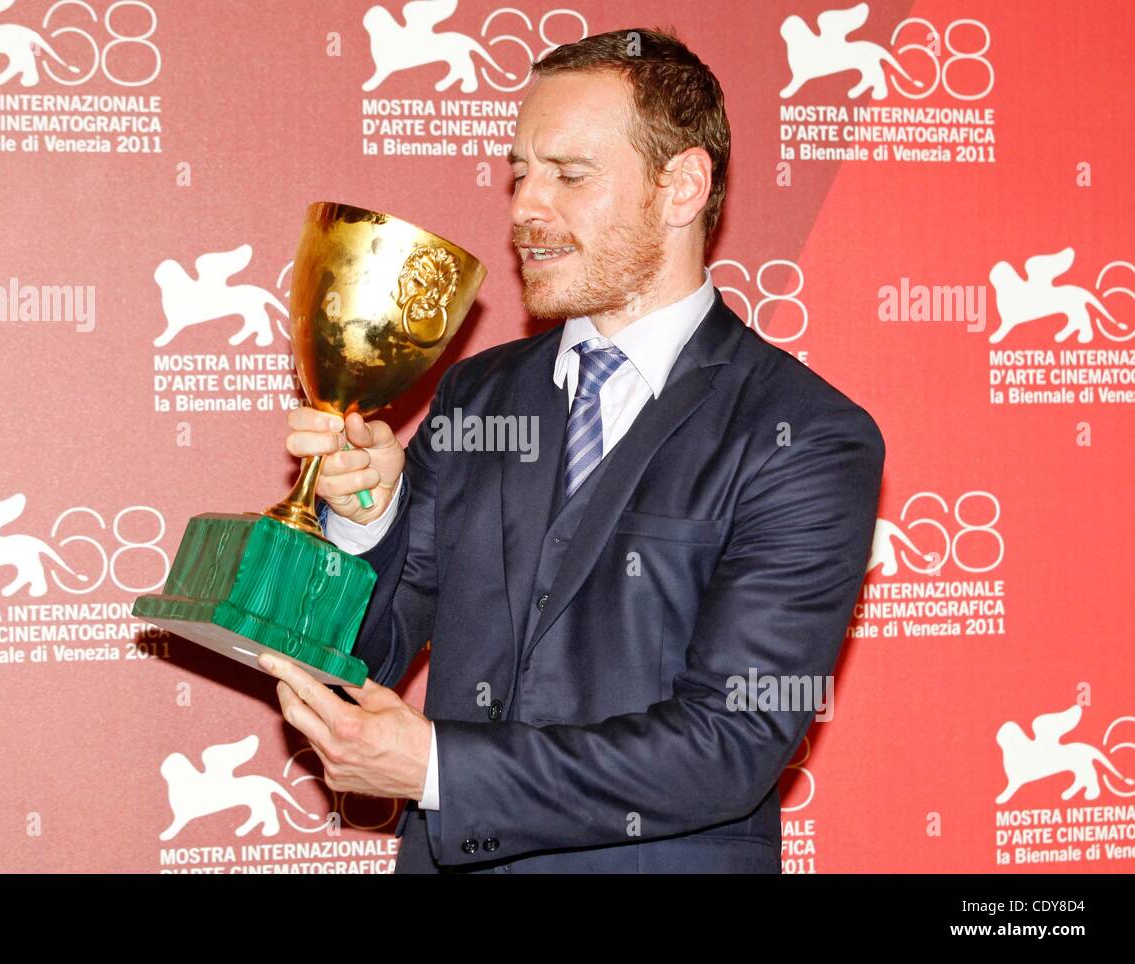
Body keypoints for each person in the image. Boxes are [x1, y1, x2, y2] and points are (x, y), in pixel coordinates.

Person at [258, 26, 885, 873]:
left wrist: (436, 768)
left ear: (683, 187)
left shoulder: (805, 436)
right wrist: (365, 524)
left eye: (569, 175)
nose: (523, 208)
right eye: (520, 174)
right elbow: (367, 657)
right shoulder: (478, 395)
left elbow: (730, 745)